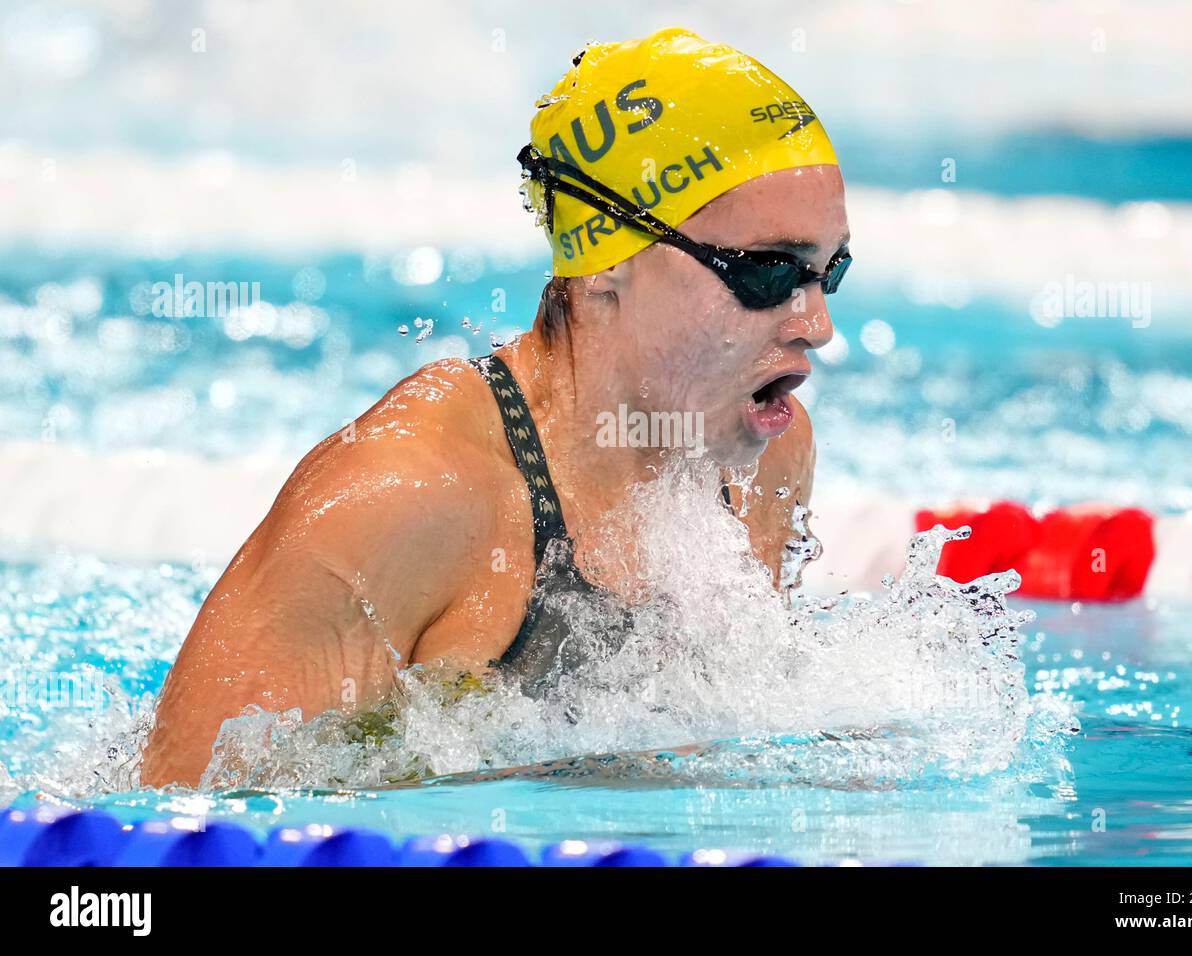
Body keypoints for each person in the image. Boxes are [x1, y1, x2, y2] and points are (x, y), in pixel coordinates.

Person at [141, 27, 851, 787]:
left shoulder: (769, 453)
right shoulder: (407, 497)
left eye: (830, 272)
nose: (817, 324)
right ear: (611, 259)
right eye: (772, 272)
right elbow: (177, 824)